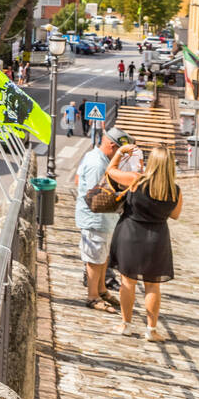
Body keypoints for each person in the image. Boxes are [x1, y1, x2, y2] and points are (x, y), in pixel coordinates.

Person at [108, 146, 183, 340]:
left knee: (127, 281)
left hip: (131, 234)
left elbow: (110, 171)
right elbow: (175, 215)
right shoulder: (174, 190)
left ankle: (125, 324)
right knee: (153, 286)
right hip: (157, 238)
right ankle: (151, 330)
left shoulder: (135, 180)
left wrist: (119, 153)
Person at [75, 127, 134, 313]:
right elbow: (98, 195)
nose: (121, 156)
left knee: (103, 256)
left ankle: (101, 289)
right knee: (94, 258)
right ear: (111, 145)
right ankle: (92, 296)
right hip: (96, 219)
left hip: (104, 219)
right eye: (120, 151)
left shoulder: (101, 159)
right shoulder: (97, 163)